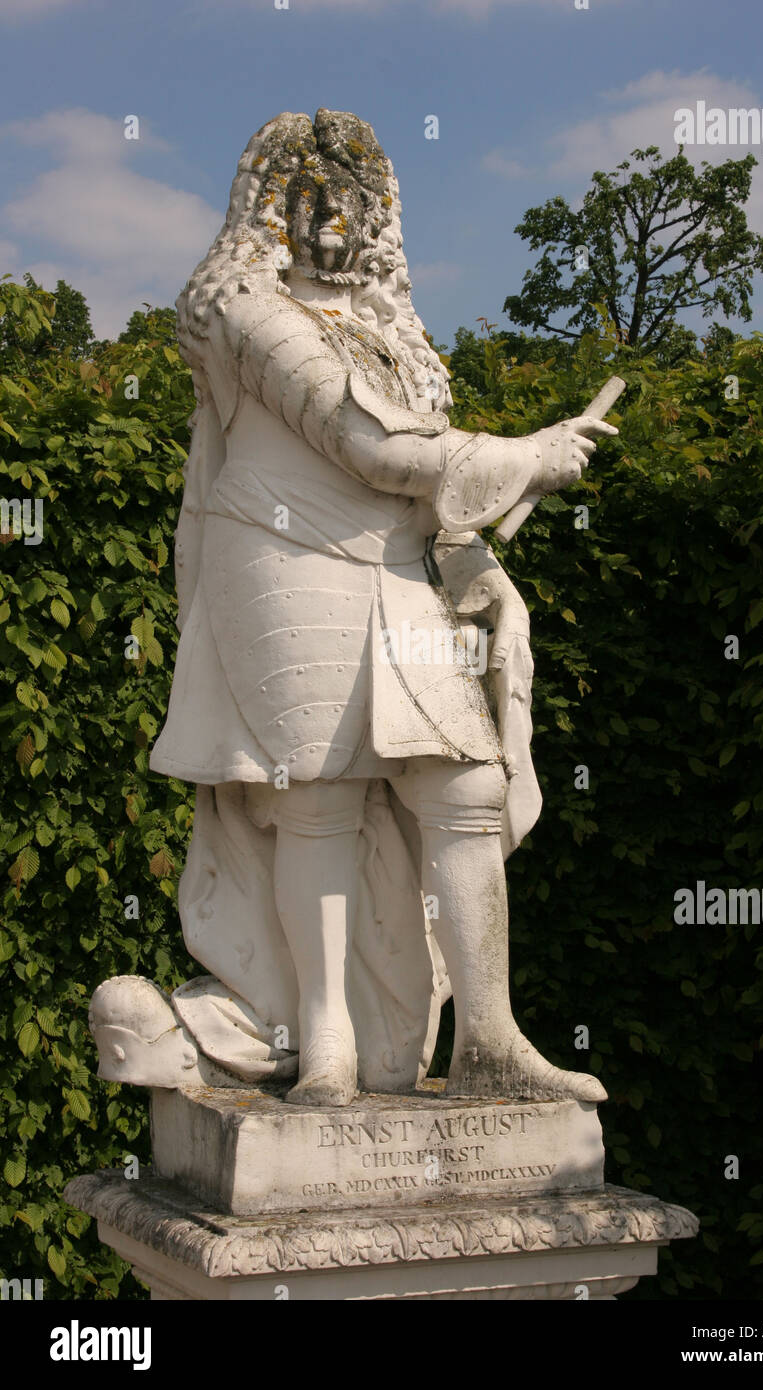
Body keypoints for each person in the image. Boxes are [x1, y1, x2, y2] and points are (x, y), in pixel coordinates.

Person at [150, 109, 616, 1108]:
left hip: (396, 570)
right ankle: (324, 1043)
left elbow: (418, 484)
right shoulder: (247, 309)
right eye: (307, 201)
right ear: (269, 208)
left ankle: (488, 1035)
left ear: (378, 213)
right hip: (283, 558)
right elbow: (374, 449)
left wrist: (471, 557)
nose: (329, 223)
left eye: (350, 203)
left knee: (463, 784)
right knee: (315, 795)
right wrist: (526, 455)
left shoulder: (394, 330)